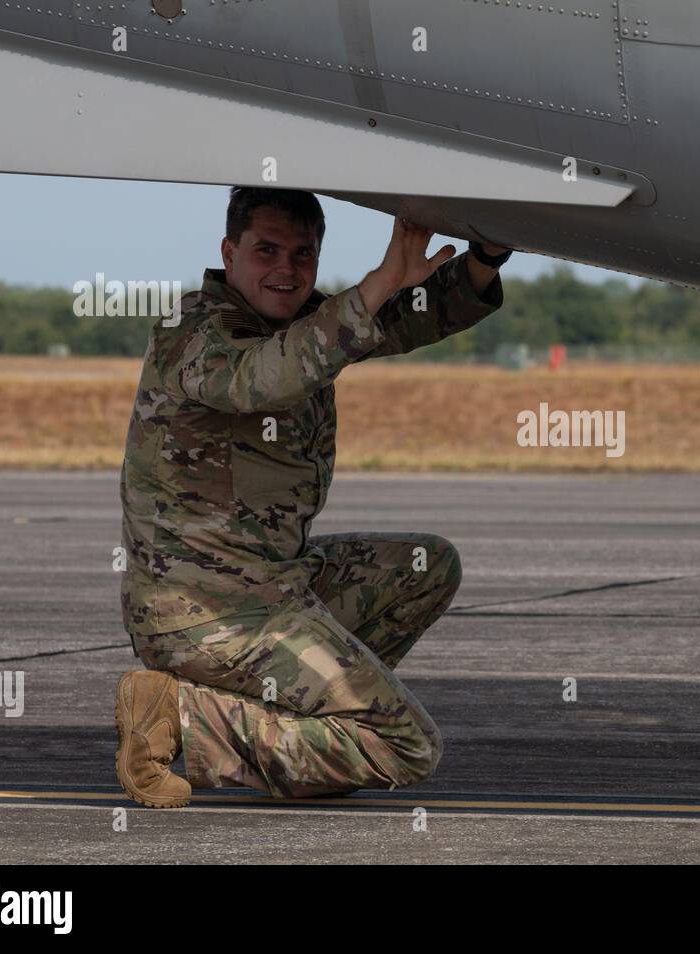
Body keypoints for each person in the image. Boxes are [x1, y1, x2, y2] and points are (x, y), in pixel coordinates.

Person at [115, 186, 510, 807]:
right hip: (204, 616)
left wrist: (486, 255)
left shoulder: (299, 322)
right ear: (229, 250)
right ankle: (182, 716)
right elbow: (267, 375)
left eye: (304, 254)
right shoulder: (195, 331)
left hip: (271, 587)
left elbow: (407, 317)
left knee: (426, 566)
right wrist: (379, 280)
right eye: (267, 249)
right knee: (407, 746)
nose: (286, 268)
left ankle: (302, 736)